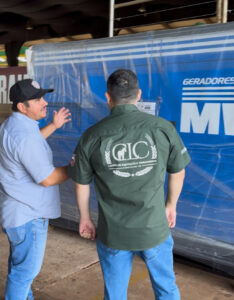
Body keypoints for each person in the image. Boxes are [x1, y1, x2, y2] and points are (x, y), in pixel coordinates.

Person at [68, 69, 191, 300]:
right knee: (166, 288)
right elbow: (178, 171)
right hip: (154, 227)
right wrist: (171, 205)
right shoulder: (163, 128)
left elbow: (81, 183)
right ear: (139, 95)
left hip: (114, 233)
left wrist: (84, 218)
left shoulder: (92, 136)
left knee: (115, 294)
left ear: (107, 97)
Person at [0, 79, 71, 300]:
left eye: (43, 97)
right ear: (22, 107)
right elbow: (48, 179)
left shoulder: (12, 126)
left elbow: (26, 150)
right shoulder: (24, 136)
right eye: (38, 100)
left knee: (20, 269)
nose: (45, 102)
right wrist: (78, 167)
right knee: (24, 274)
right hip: (28, 215)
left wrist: (53, 126)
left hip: (16, 212)